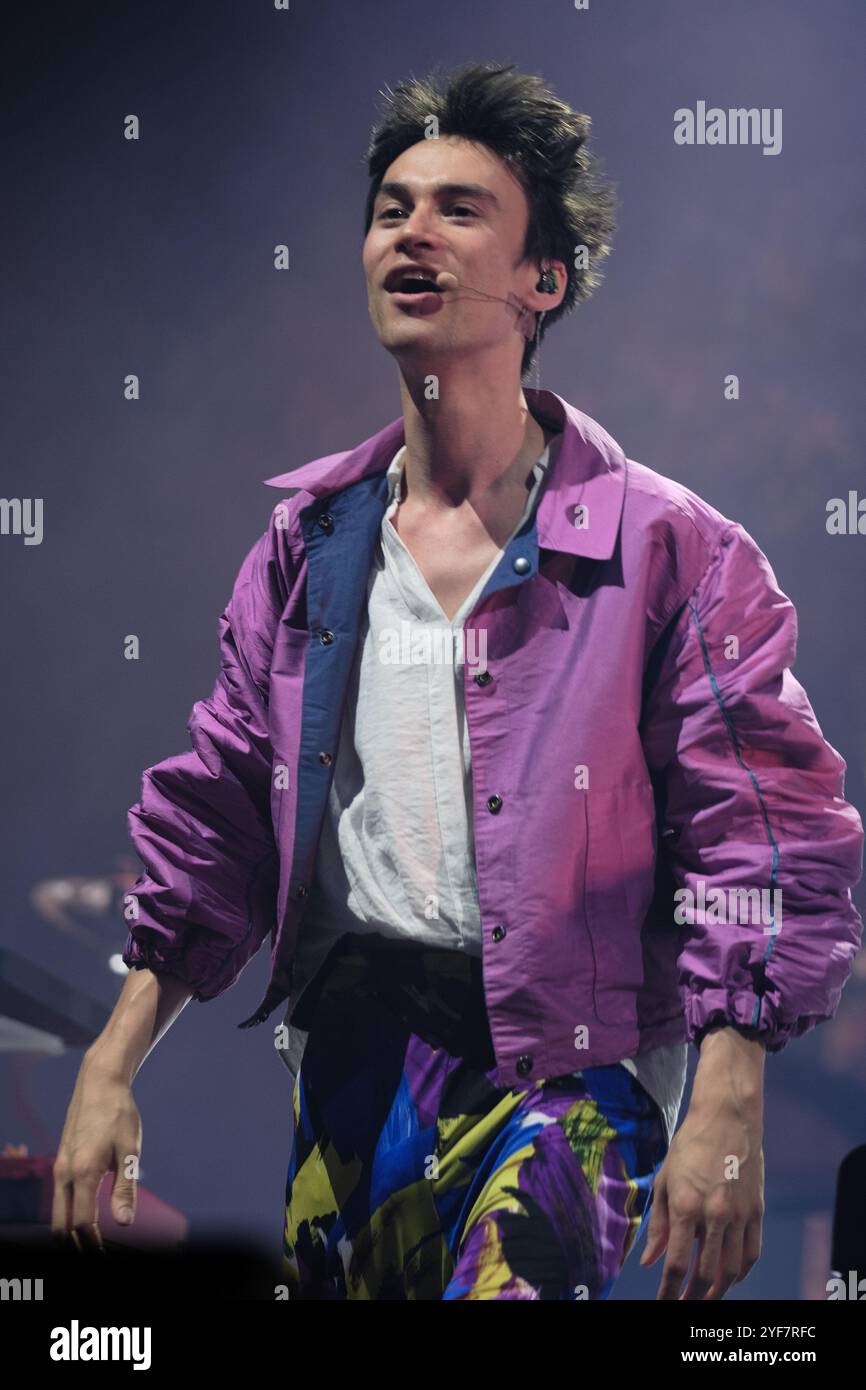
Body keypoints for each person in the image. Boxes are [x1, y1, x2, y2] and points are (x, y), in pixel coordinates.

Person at [53, 62, 864, 1301]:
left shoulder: (666, 549)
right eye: (390, 207)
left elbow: (759, 838)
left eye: (458, 208)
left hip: (568, 1070)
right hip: (357, 1062)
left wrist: (728, 1092)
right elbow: (218, 815)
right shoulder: (310, 549)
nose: (410, 230)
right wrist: (110, 1065)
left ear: (544, 280)